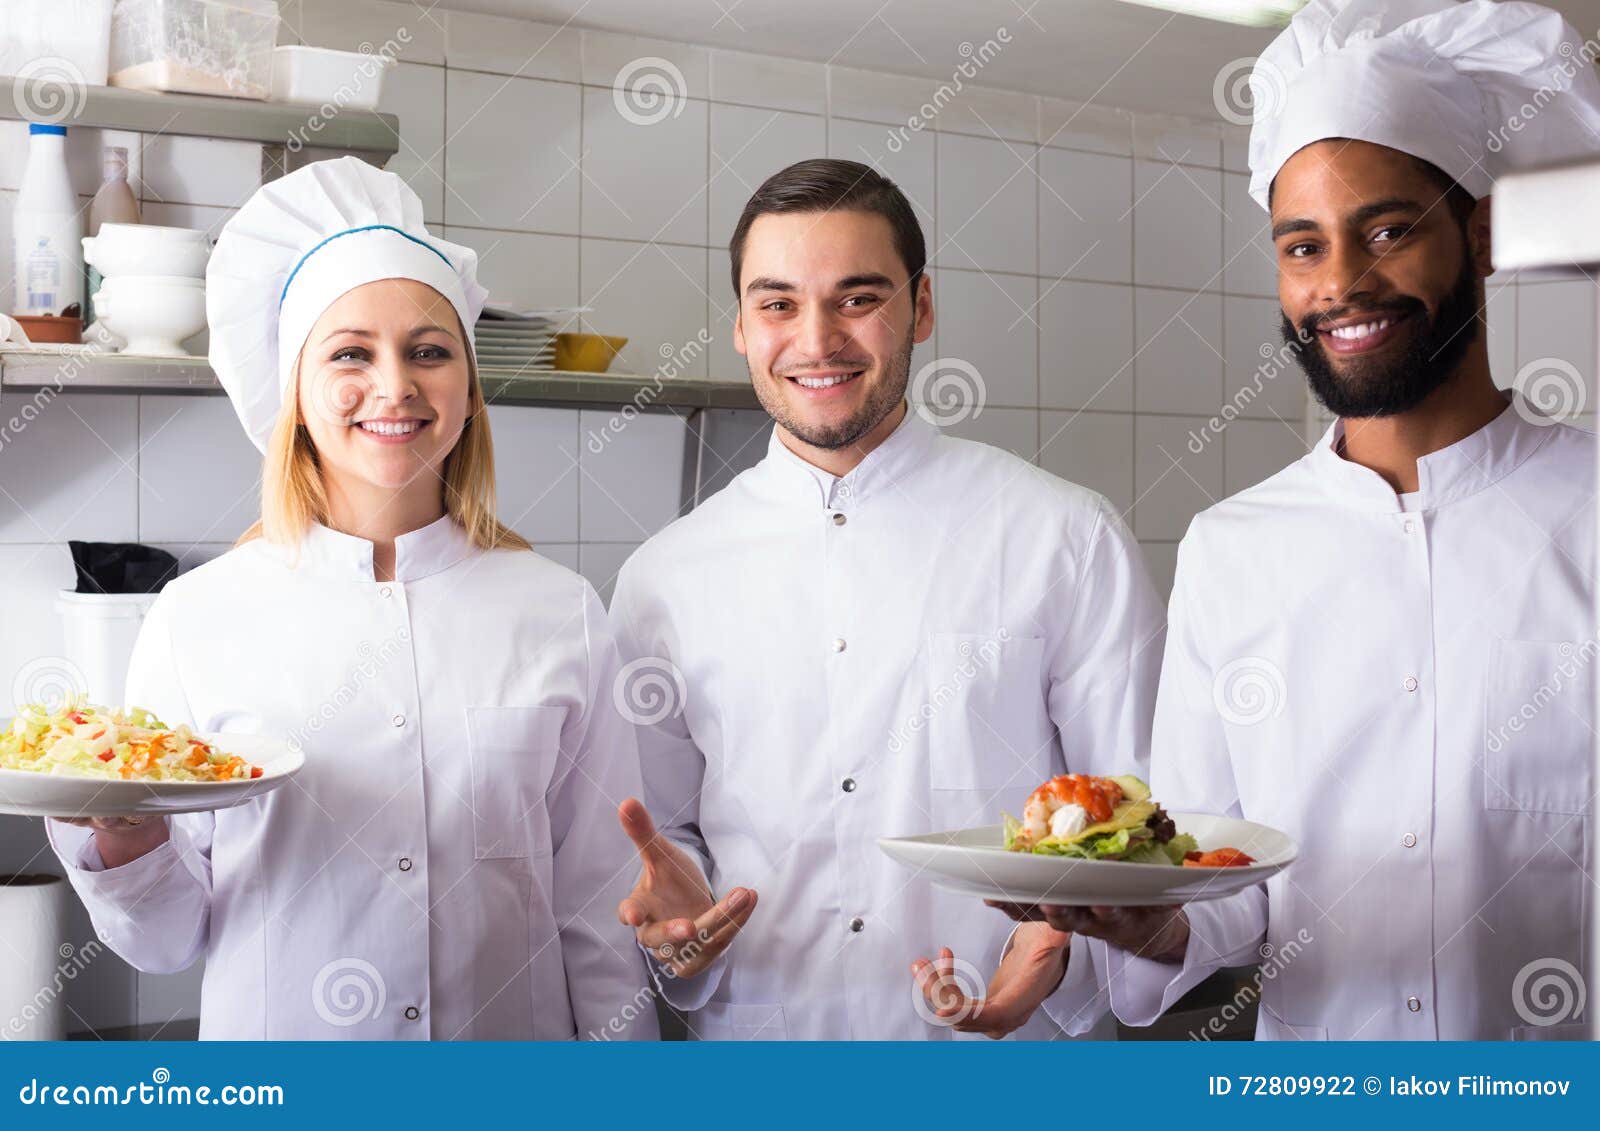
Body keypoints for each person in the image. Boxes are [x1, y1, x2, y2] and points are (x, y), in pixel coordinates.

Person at [992, 0, 1600, 1040]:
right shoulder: (1234, 550)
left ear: (1482, 233)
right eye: (1302, 247)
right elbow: (1222, 876)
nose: (1340, 284)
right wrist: (1146, 926)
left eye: (1387, 229)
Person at [46, 157, 656, 1041]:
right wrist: (127, 844)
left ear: (471, 387)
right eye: (350, 353)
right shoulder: (197, 617)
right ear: (293, 388)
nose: (395, 384)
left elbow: (602, 911)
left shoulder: (559, 611)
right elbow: (167, 939)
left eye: (429, 350)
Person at [608, 158, 1163, 1040]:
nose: (817, 339)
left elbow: (1135, 822)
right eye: (778, 303)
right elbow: (667, 850)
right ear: (743, 329)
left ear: (924, 306)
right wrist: (679, 939)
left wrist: (1069, 937)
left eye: (858, 297)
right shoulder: (664, 578)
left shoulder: (1064, 536)